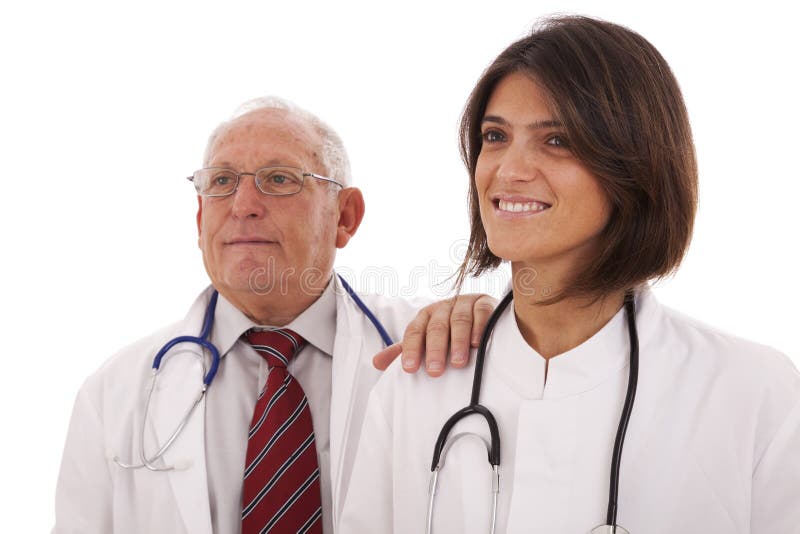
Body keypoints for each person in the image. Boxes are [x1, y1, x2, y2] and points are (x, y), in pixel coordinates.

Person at [340, 16, 800, 534]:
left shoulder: (753, 392)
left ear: (635, 165)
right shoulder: (414, 388)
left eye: (556, 140)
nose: (508, 170)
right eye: (495, 136)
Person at [52, 96, 495, 534]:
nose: (243, 204)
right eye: (222, 181)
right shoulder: (114, 392)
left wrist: (506, 329)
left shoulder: (430, 347)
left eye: (278, 179)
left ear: (345, 216)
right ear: (201, 215)